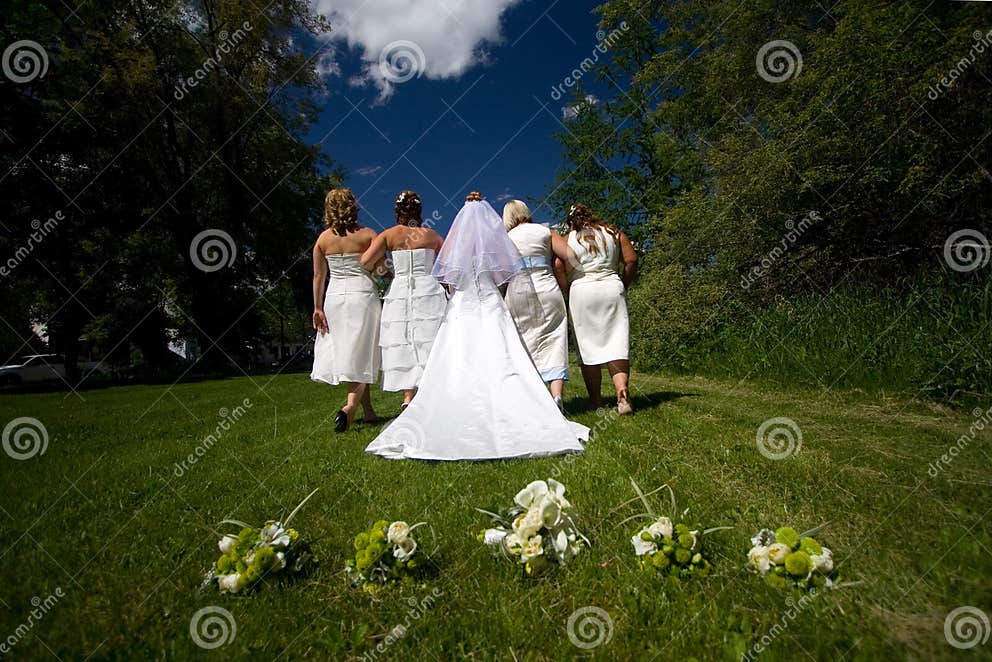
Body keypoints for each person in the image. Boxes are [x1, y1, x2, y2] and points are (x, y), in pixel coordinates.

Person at [364, 192, 588, 461]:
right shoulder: (490, 242)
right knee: (501, 349)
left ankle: (442, 402)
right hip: (490, 299)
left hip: (461, 304)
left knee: (457, 351)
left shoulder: (454, 243)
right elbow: (503, 273)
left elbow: (449, 276)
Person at [361, 191, 446, 407]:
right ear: (419, 210)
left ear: (397, 211)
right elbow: (449, 262)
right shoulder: (432, 235)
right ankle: (429, 391)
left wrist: (385, 272)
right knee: (429, 338)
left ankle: (408, 397)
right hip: (428, 288)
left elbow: (366, 261)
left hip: (400, 289)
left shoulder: (389, 235)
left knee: (405, 339)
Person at [310, 188, 382, 432]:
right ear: (353, 206)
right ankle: (350, 408)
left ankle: (369, 412)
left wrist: (317, 308)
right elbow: (379, 268)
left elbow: (319, 275)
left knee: (352, 353)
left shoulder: (322, 240)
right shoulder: (368, 235)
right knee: (363, 353)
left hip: (335, 299)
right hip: (362, 296)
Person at [563, 204, 638, 415]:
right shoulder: (614, 233)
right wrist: (624, 283)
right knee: (617, 344)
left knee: (588, 349)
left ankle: (596, 402)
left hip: (582, 292)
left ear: (571, 222)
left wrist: (567, 286)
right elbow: (631, 260)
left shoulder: (568, 239)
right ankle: (622, 393)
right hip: (612, 288)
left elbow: (560, 266)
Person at [502, 200, 572, 411]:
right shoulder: (545, 231)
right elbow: (570, 256)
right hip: (547, 287)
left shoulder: (504, 239)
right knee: (555, 337)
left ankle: (530, 398)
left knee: (522, 340)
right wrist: (559, 271)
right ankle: (556, 395)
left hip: (517, 291)